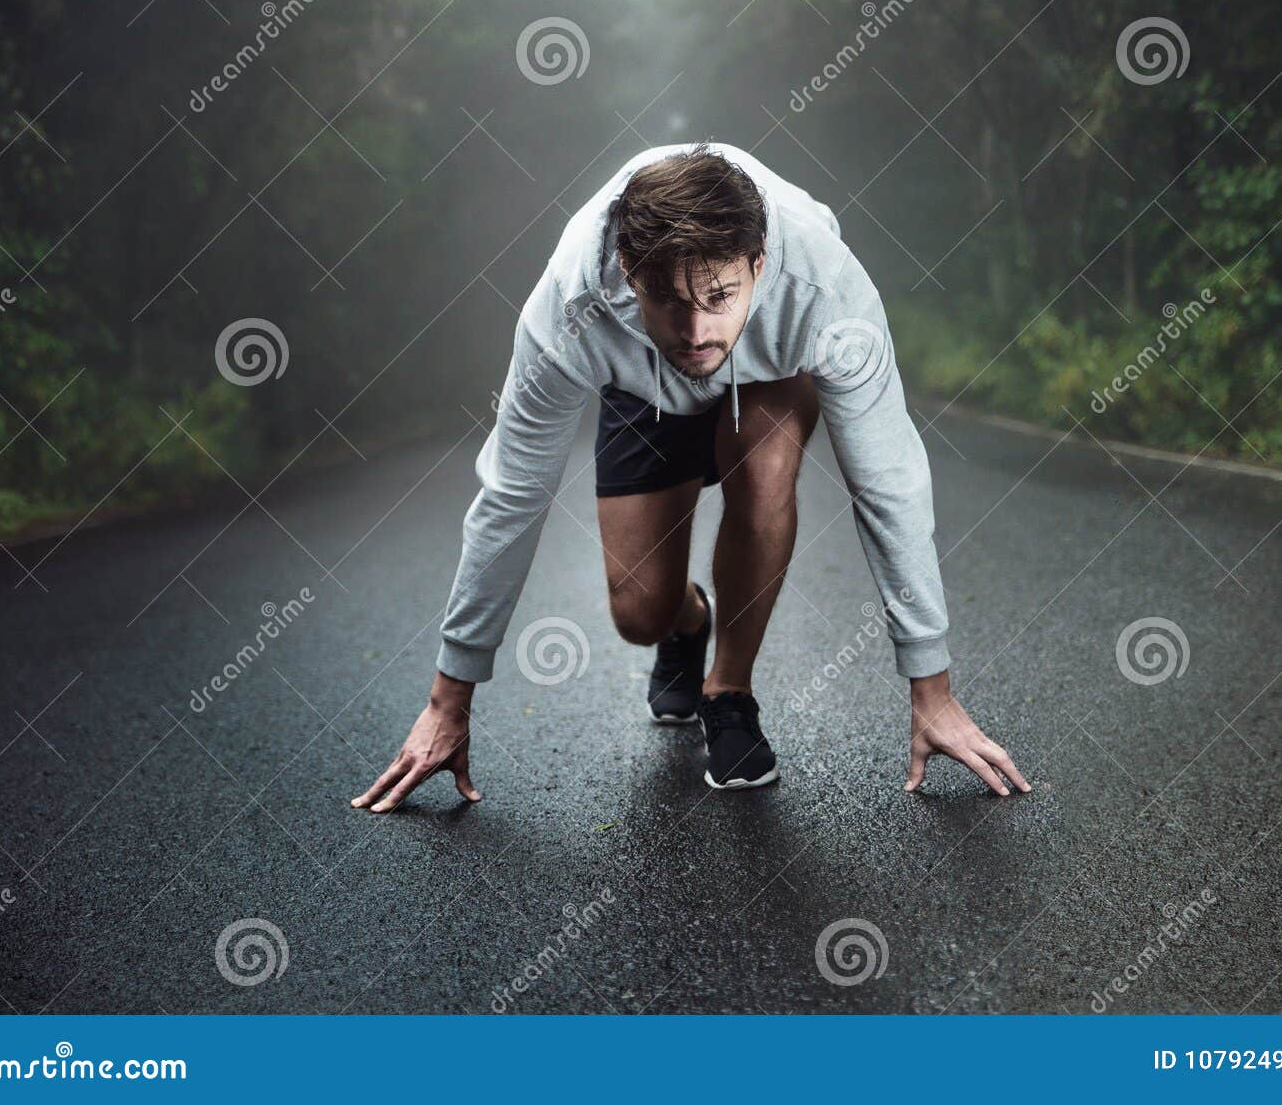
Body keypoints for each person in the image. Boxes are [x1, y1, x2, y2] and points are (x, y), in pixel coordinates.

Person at [352, 141, 1029, 809]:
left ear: (758, 267)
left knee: (765, 472)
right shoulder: (570, 310)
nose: (697, 328)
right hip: (639, 380)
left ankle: (728, 692)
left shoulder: (825, 298)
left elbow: (888, 483)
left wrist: (931, 691)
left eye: (718, 294)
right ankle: (686, 622)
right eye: (669, 299)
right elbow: (512, 494)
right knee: (639, 613)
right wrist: (449, 702)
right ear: (626, 271)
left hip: (769, 369)